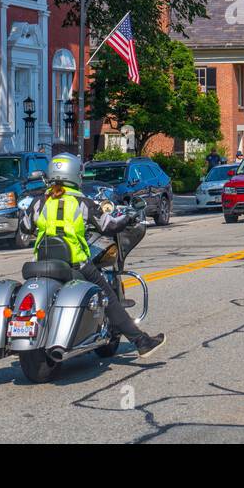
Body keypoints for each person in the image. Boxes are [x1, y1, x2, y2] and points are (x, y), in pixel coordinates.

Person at [35, 153, 165, 358]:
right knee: (108, 297)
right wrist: (128, 217)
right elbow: (109, 225)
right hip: (75, 263)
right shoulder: (82, 203)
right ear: (74, 175)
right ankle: (141, 341)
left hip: (42, 263)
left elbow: (25, 227)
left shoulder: (39, 203)